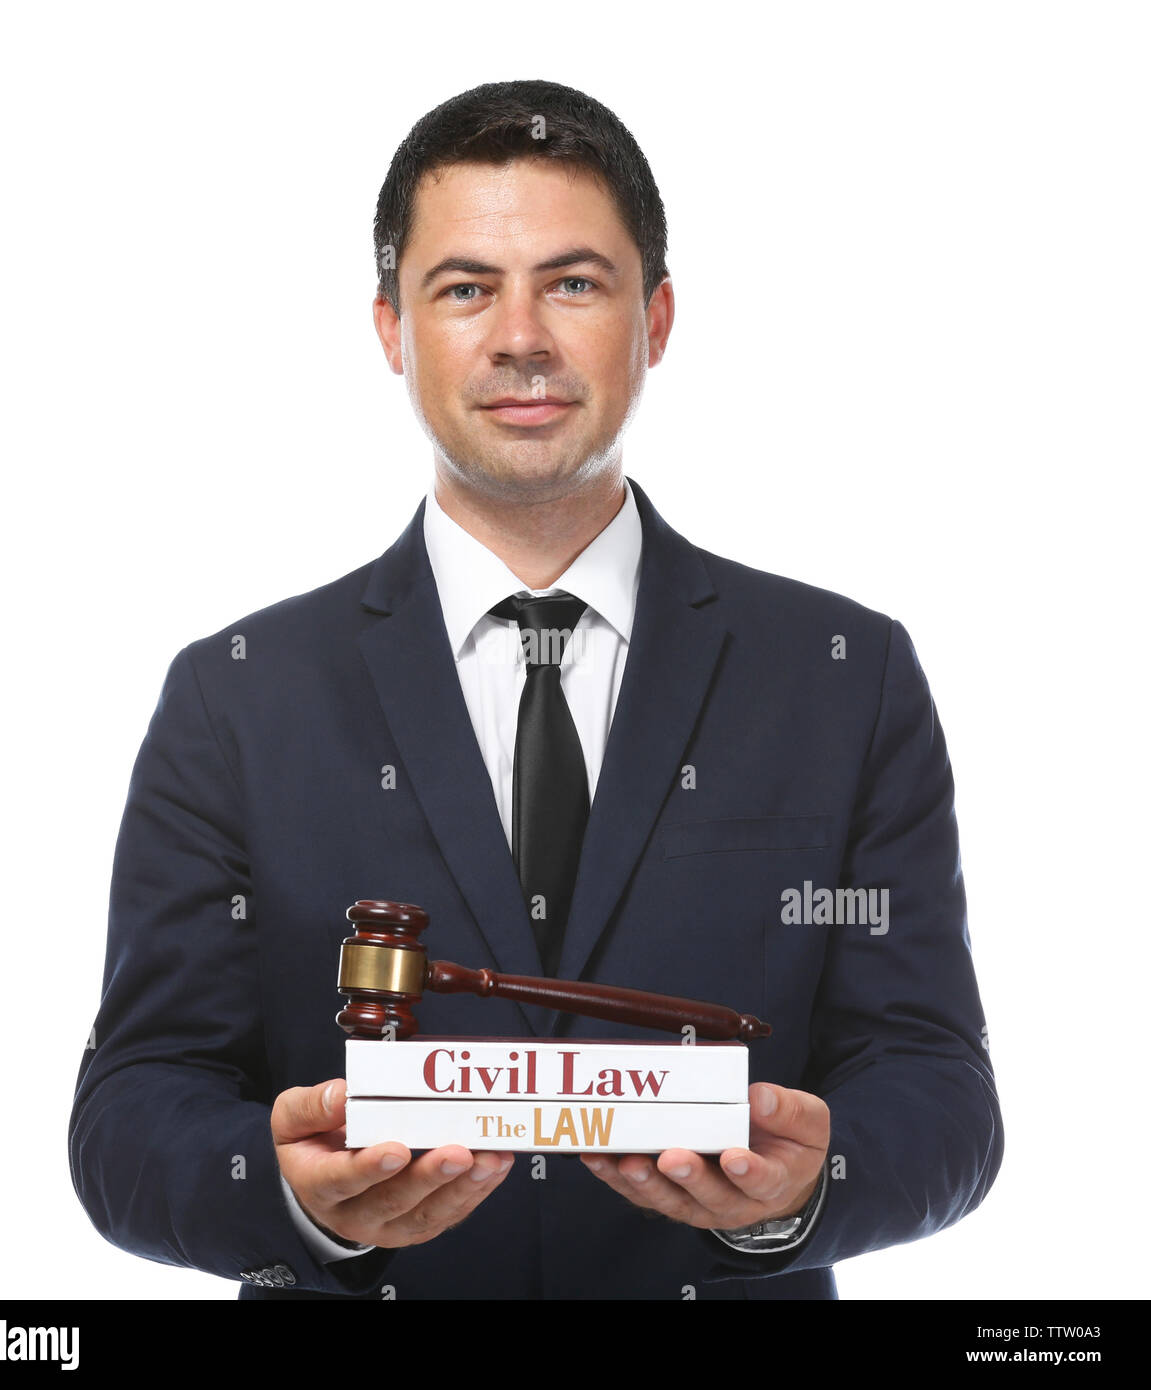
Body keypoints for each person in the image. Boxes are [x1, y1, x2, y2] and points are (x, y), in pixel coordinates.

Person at [69, 79, 1002, 1301]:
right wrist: (289, 1194)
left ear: (654, 318)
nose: (520, 336)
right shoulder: (235, 699)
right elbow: (133, 1107)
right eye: (464, 288)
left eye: (572, 282)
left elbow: (933, 1076)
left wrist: (807, 1196)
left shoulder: (844, 674)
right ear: (391, 329)